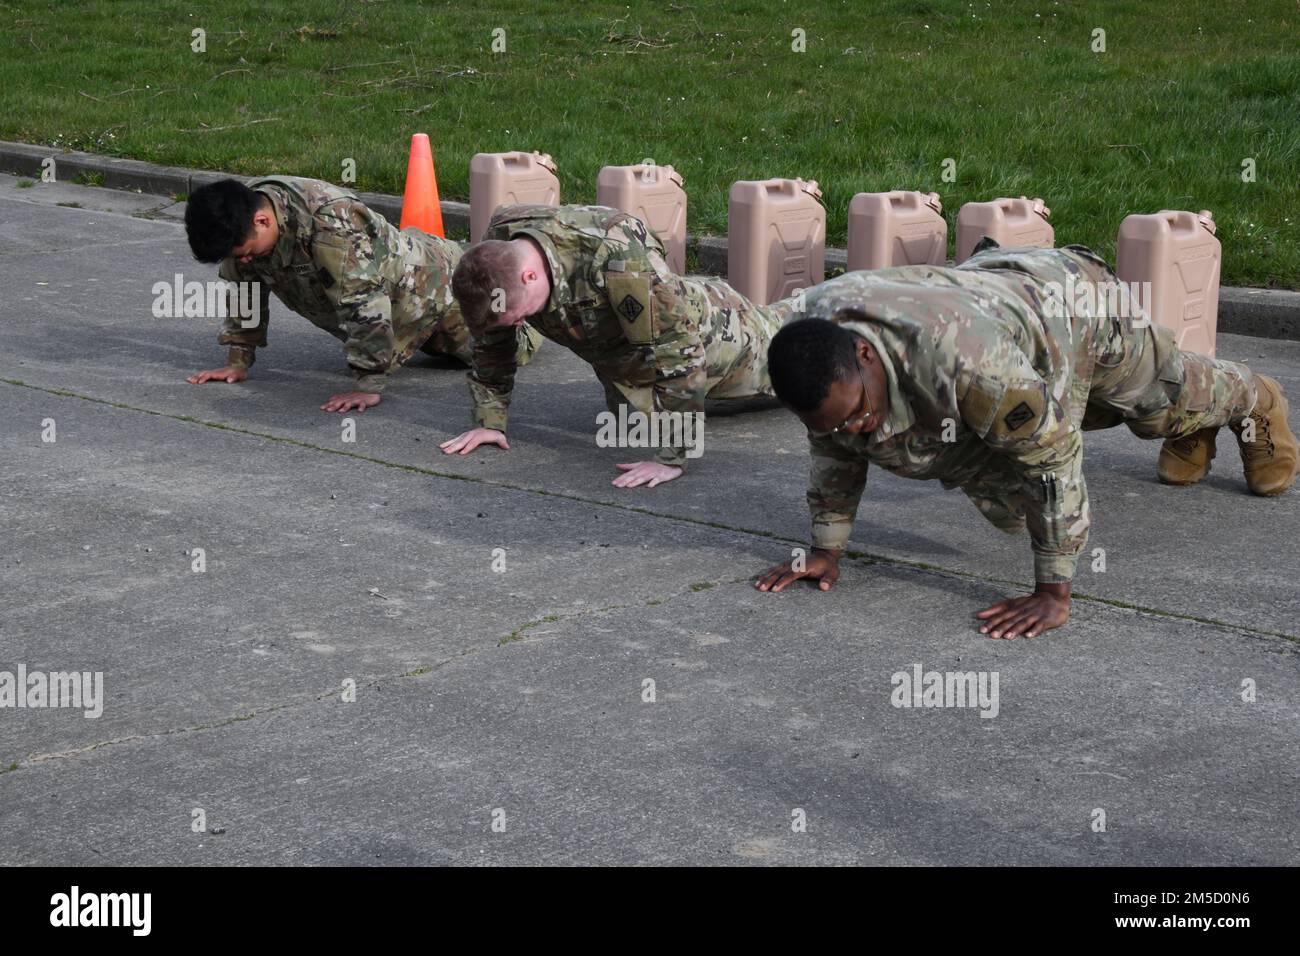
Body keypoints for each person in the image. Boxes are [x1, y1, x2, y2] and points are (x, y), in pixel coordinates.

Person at [755, 243, 1296, 639]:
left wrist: (1052, 592)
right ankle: (1190, 429)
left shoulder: (971, 366)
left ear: (866, 355)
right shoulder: (818, 363)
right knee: (1021, 494)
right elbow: (834, 448)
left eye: (858, 411)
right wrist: (827, 549)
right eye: (835, 423)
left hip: (1072, 304)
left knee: (1156, 405)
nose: (854, 428)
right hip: (1003, 312)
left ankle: (1256, 402)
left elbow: (1053, 455)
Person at [440, 204, 790, 487]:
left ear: (530, 277)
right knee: (629, 422)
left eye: (520, 316)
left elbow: (681, 355)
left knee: (790, 361)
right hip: (626, 346)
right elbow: (493, 340)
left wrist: (671, 458)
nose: (519, 325)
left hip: (716, 333)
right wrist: (490, 420)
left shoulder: (617, 257)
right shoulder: (497, 254)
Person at [183, 176, 540, 411]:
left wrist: (368, 383)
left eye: (245, 250)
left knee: (510, 345)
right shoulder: (243, 215)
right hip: (399, 305)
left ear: (263, 221)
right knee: (435, 353)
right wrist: (238, 361)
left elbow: (364, 302)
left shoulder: (331, 225)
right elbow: (244, 285)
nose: (244, 259)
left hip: (438, 296)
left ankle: (538, 291)